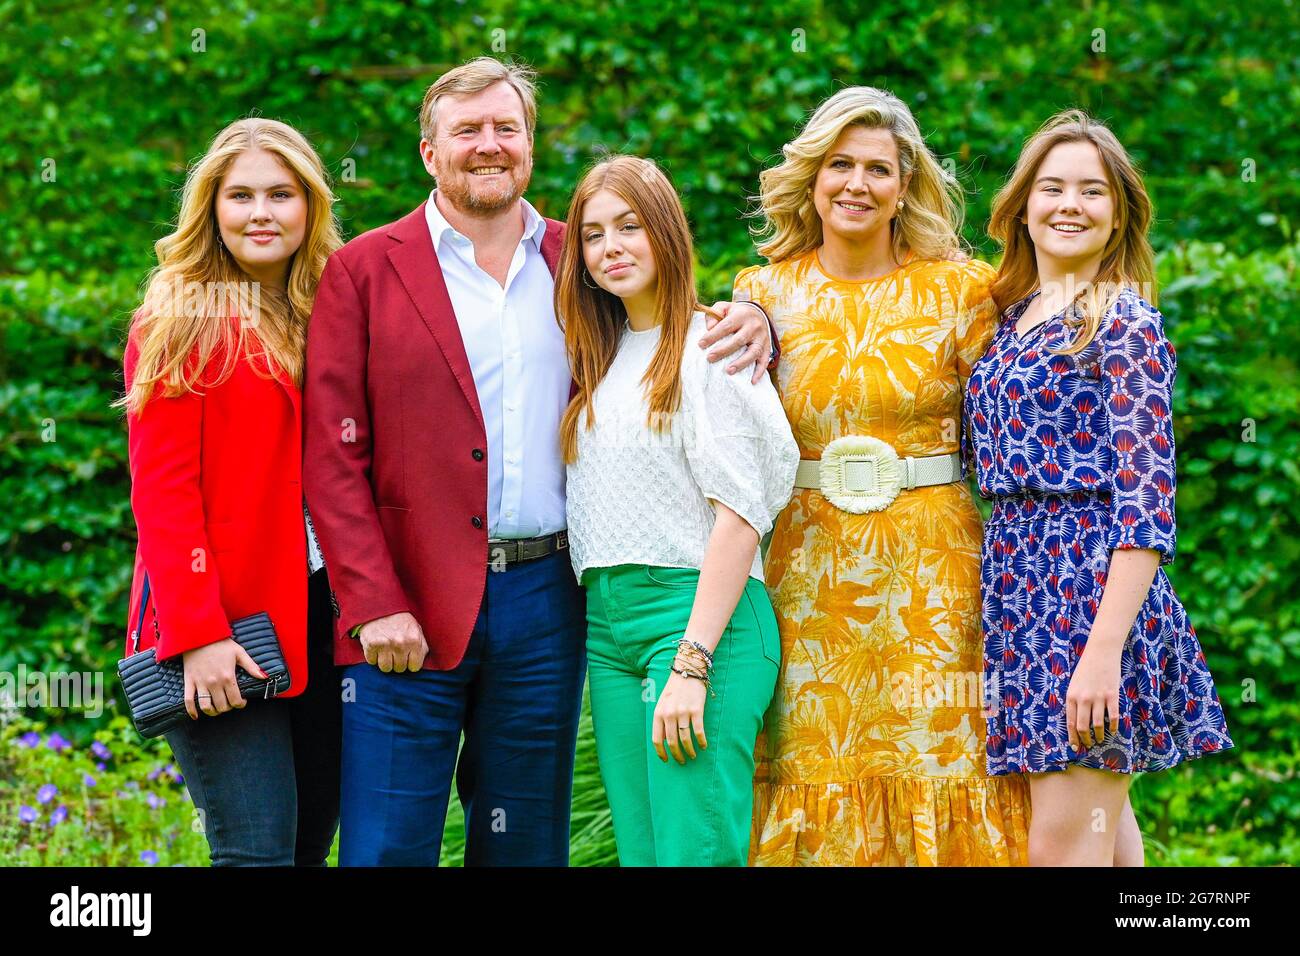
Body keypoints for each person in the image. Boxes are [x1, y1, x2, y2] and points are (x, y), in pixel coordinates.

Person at [302, 57, 775, 867]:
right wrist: (371, 600)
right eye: (467, 131)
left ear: (529, 144)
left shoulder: (582, 260)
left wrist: (755, 316)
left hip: (547, 604)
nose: (489, 145)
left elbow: (672, 333)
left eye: (506, 128)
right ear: (428, 151)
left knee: (525, 848)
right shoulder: (365, 270)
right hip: (402, 606)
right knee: (385, 848)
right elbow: (331, 456)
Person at [738, 87, 1031, 865]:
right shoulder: (763, 293)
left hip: (936, 570)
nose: (856, 185)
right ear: (812, 176)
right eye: (840, 165)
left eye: (878, 169)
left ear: (905, 186)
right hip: (808, 568)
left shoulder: (963, 288)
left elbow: (1009, 429)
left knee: (942, 751)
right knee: (812, 754)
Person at [964, 110, 1234, 866]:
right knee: (1106, 847)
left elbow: (1147, 506)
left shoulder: (1123, 323)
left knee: (1057, 854)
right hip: (1021, 595)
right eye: (1052, 188)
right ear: (1022, 205)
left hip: (1089, 603)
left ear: (1119, 214)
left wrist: (1102, 651)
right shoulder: (1010, 319)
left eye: (1092, 191)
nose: (1069, 205)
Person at [558, 155, 798, 866]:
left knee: (695, 852)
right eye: (594, 235)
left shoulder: (710, 347)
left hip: (696, 621)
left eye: (630, 226)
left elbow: (740, 517)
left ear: (665, 232)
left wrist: (691, 663)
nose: (612, 248)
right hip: (609, 627)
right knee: (643, 853)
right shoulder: (596, 358)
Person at [119, 117, 344, 866]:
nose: (260, 212)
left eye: (281, 194)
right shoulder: (179, 316)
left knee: (309, 844)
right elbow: (162, 490)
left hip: (323, 619)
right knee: (255, 851)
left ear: (310, 205)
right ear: (211, 208)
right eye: (240, 195)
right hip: (223, 624)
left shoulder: (333, 308)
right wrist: (199, 635)